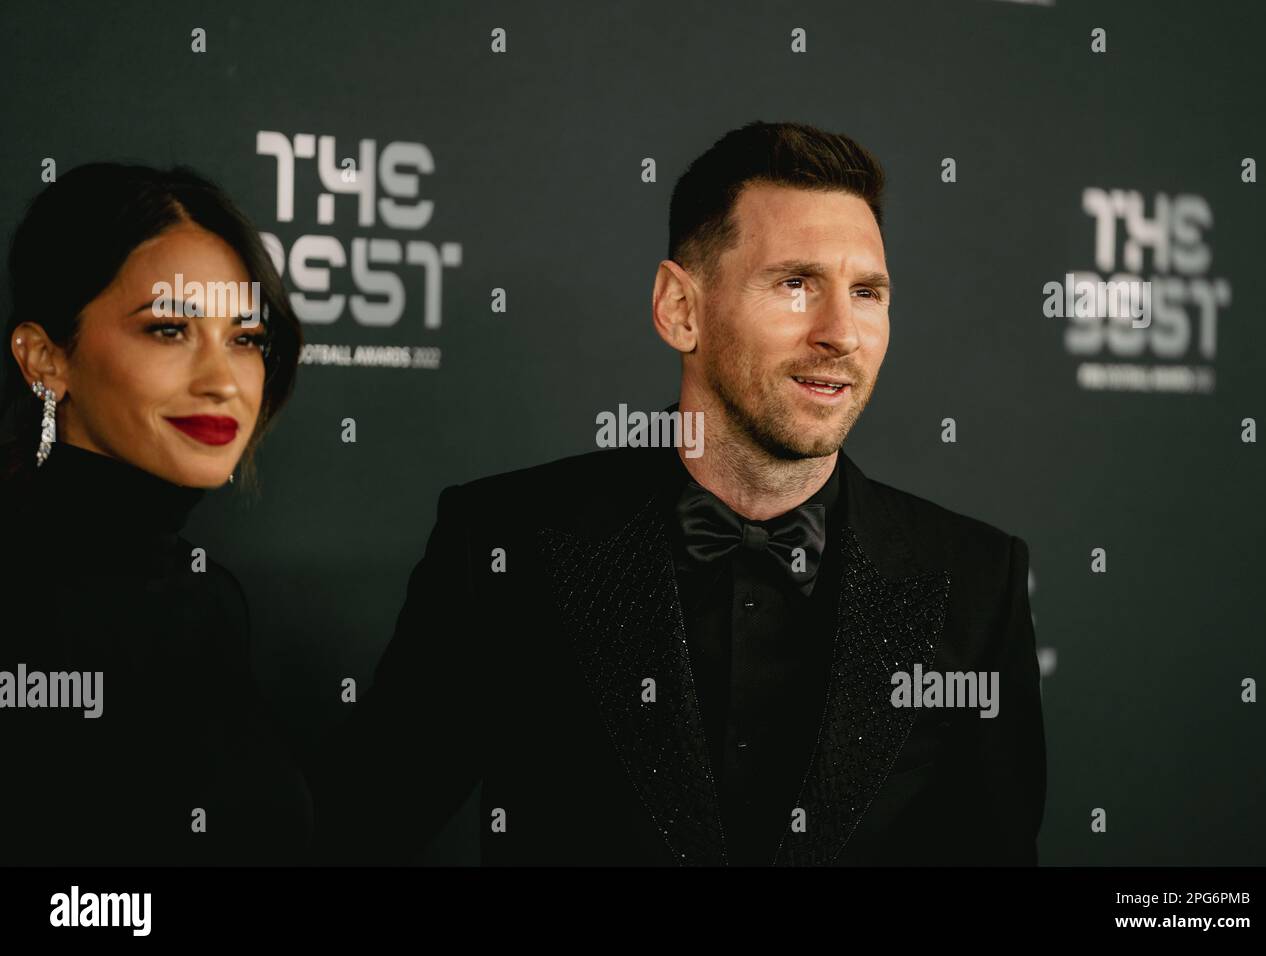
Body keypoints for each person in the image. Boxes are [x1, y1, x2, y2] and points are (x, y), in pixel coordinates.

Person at [312, 121, 1047, 866]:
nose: (841, 333)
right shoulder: (503, 546)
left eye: (867, 292)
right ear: (679, 309)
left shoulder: (975, 581)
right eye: (796, 284)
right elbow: (358, 831)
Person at [0, 162, 310, 864]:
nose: (223, 381)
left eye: (247, 339)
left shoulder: (207, 596)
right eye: (170, 329)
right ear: (46, 358)